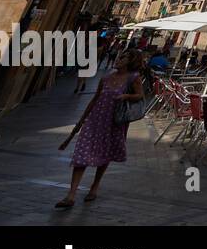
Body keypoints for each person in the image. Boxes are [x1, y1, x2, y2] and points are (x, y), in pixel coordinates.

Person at [56, 49, 146, 208]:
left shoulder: (133, 78)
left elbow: (140, 95)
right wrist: (81, 122)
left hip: (114, 123)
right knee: (81, 155)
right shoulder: (106, 78)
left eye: (124, 57)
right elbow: (94, 100)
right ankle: (71, 195)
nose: (119, 59)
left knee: (106, 154)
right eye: (120, 56)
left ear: (131, 61)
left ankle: (95, 185)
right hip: (95, 121)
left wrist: (126, 96)